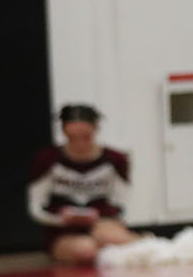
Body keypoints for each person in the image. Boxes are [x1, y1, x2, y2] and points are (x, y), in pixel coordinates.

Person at [28, 104, 137, 264]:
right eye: (72, 137)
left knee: (110, 237)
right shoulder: (47, 160)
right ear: (64, 132)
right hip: (63, 230)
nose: (79, 143)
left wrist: (99, 217)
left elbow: (123, 202)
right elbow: (36, 207)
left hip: (103, 222)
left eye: (86, 136)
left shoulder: (116, 159)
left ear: (96, 129)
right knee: (85, 250)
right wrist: (61, 218)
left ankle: (156, 248)